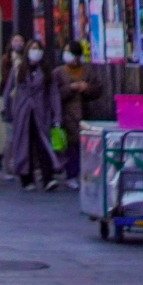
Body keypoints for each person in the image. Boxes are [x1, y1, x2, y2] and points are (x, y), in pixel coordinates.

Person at [2, 38, 63, 192]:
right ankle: (26, 177)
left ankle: (48, 177)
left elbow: (53, 94)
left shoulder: (47, 71)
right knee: (24, 145)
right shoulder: (18, 69)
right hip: (23, 113)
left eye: (38, 48)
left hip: (41, 112)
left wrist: (57, 116)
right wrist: (8, 111)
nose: (36, 51)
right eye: (33, 48)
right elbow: (9, 91)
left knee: (43, 144)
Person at [53, 40, 102, 189]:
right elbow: (54, 95)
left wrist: (86, 88)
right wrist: (70, 88)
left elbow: (98, 89)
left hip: (85, 113)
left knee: (86, 146)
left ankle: (84, 174)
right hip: (66, 115)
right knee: (71, 147)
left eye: (71, 53)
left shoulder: (87, 71)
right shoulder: (58, 73)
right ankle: (71, 174)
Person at [0, 34, 26, 176]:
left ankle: (19, 163)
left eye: (21, 40)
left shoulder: (26, 60)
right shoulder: (7, 60)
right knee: (10, 137)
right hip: (12, 101)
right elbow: (6, 82)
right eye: (15, 40)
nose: (18, 43)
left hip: (22, 101)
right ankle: (7, 164)